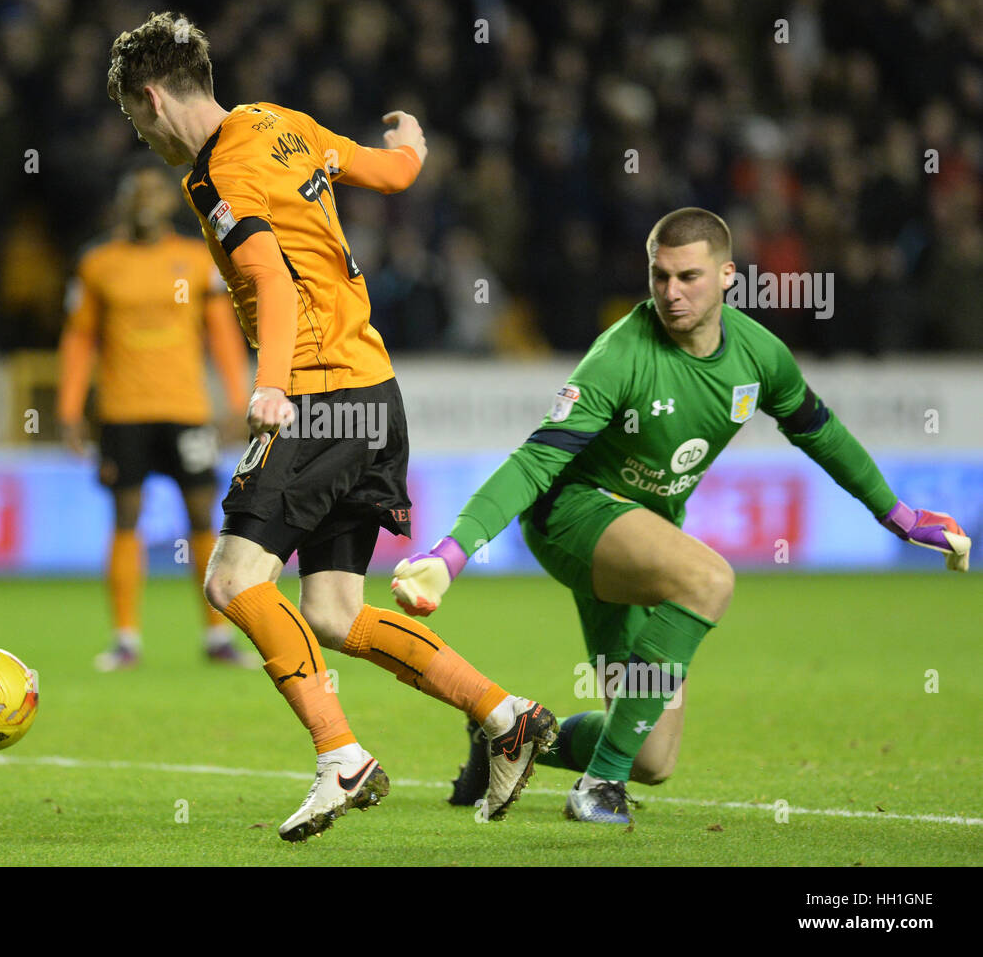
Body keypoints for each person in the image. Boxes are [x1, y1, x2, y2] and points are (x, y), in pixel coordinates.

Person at [107, 11, 557, 842]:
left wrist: (269, 386)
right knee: (333, 611)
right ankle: (507, 716)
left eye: (135, 119)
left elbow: (273, 287)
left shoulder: (214, 179)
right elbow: (386, 176)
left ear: (152, 98)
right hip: (376, 394)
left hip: (316, 396)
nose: (140, 136)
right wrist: (414, 145)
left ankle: (340, 758)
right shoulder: (281, 123)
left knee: (232, 581)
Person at [392, 206, 971, 825]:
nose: (671, 292)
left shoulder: (759, 355)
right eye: (659, 276)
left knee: (654, 757)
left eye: (688, 277)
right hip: (571, 517)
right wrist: (451, 552)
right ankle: (598, 788)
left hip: (644, 539)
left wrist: (901, 516)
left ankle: (507, 732)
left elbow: (820, 433)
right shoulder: (619, 355)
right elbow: (536, 461)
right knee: (708, 578)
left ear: (727, 276)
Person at [58, 162, 253, 670]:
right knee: (125, 516)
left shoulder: (195, 258)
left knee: (202, 514)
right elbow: (79, 339)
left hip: (186, 409)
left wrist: (237, 399)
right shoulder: (98, 264)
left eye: (153, 192)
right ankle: (126, 638)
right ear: (123, 203)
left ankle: (217, 636)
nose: (145, 200)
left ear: (170, 203)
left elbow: (222, 335)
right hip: (122, 412)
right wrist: (69, 407)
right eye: (135, 191)